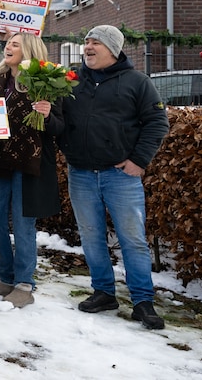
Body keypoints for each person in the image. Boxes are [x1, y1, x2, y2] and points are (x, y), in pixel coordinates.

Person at [60, 25, 170, 329]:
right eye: (86, 42)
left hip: (120, 176)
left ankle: (143, 301)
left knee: (132, 239)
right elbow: (59, 121)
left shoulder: (137, 82)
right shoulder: (70, 82)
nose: (88, 47)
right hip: (80, 173)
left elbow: (157, 122)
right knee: (91, 236)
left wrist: (139, 160)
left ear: (113, 48)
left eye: (96, 42)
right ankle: (104, 292)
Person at [0, 32, 62, 308]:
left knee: (22, 223)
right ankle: (5, 277)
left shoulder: (43, 84)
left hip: (30, 164)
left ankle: (24, 282)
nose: (8, 47)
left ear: (28, 50)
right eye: (8, 43)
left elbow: (60, 127)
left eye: (15, 44)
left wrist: (47, 114)